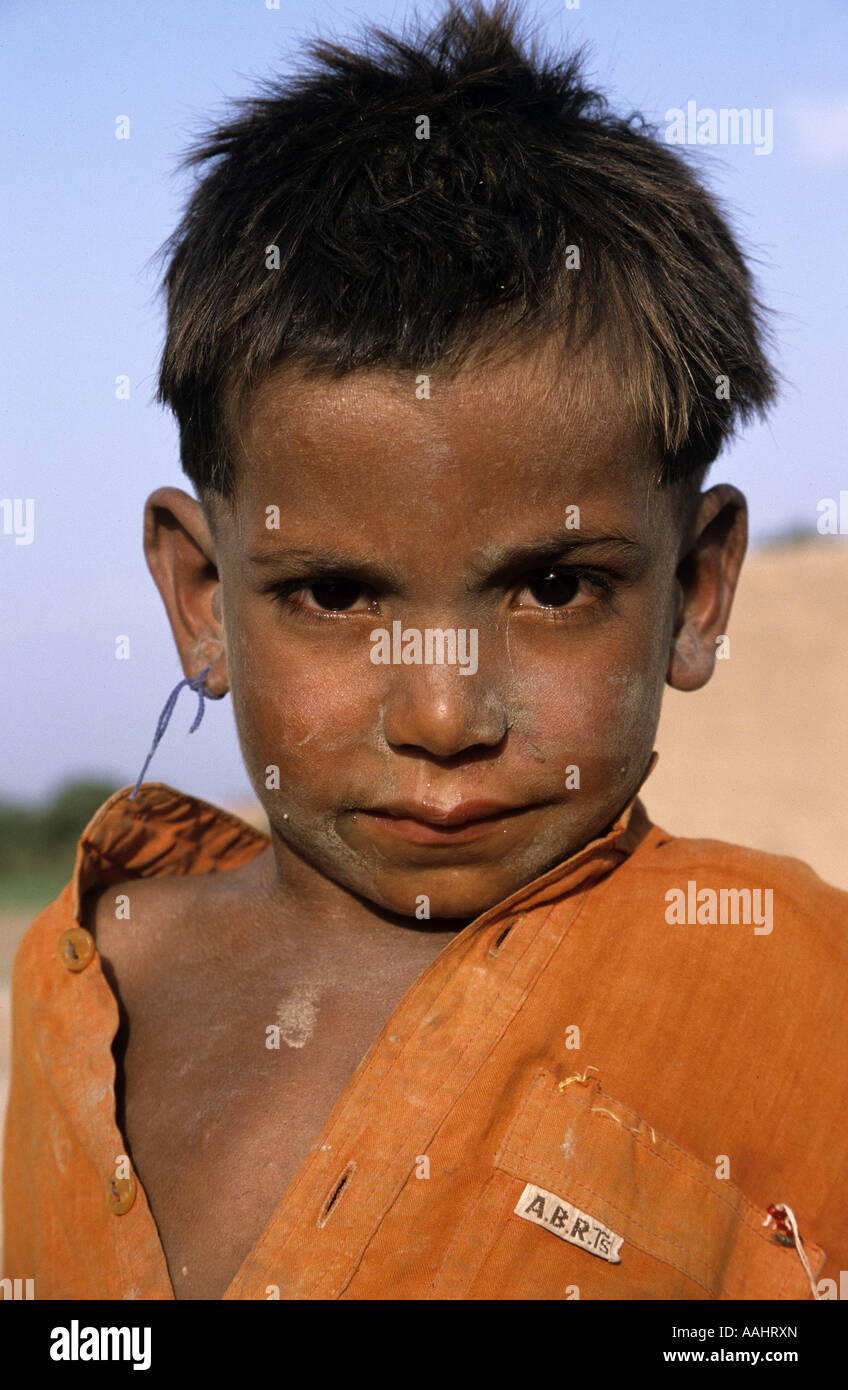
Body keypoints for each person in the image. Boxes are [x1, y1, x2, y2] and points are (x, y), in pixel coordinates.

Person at [4, 1, 846, 1302]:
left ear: (693, 589)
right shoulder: (79, 972)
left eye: (556, 585)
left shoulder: (800, 992)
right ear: (199, 598)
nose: (447, 714)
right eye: (335, 593)